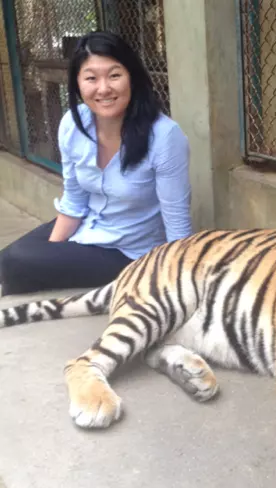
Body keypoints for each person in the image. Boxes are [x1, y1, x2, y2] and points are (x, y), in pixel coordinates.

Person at [0, 31, 192, 296]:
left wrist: (177, 279)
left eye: (114, 75)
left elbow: (177, 220)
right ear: (77, 84)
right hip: (87, 226)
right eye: (91, 78)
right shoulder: (73, 124)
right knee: (8, 259)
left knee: (17, 261)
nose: (104, 89)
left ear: (132, 79)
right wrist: (53, 251)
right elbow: (74, 200)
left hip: (128, 251)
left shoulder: (164, 136)